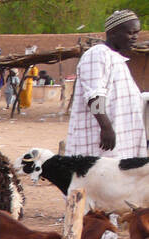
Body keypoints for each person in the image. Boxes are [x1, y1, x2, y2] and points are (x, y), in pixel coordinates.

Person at [68, 10, 146, 160]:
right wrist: (106, 128)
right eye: (130, 33)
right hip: (101, 140)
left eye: (137, 33)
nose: (135, 37)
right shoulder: (97, 54)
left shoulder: (116, 58)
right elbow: (94, 95)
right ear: (113, 33)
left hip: (119, 139)